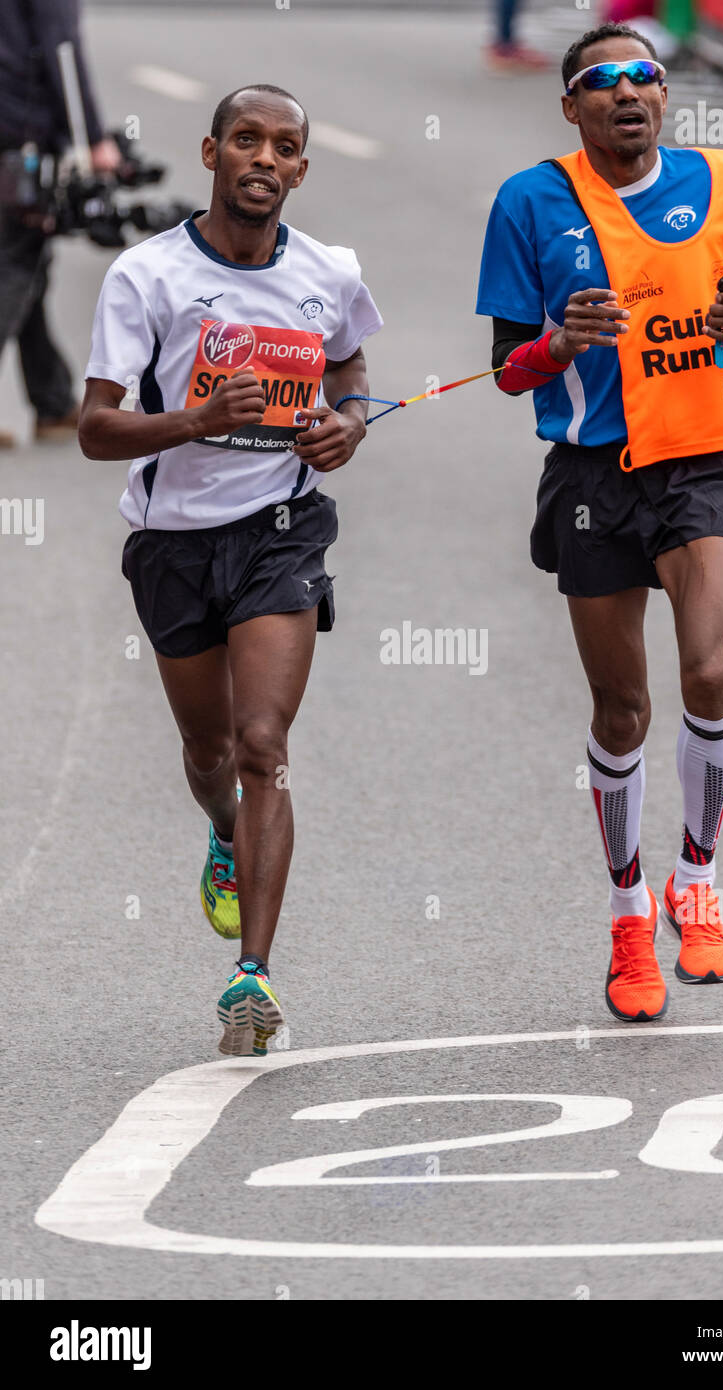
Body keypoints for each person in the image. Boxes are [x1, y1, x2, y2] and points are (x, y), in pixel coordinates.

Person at [476, 23, 723, 1021]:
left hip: (706, 464)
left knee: (711, 668)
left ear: (664, 96)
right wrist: (555, 343)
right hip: (594, 472)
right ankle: (630, 912)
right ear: (571, 106)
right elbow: (506, 367)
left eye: (645, 77)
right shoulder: (531, 202)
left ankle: (698, 880)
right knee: (620, 709)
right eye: (602, 81)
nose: (628, 92)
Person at [78, 85, 382, 1055]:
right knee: (211, 756)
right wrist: (196, 422)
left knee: (263, 742)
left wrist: (349, 425)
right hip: (171, 542)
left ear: (300, 168)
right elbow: (94, 427)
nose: (263, 158)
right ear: (211, 152)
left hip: (280, 528)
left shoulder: (327, 271)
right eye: (245, 140)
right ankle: (222, 830)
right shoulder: (148, 275)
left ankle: (251, 975)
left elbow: (352, 373)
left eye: (284, 146)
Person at [0, 0, 120, 448]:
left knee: (28, 261)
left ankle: (52, 401)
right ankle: (51, 402)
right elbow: (62, 52)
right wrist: (92, 137)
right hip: (16, 134)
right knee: (14, 263)